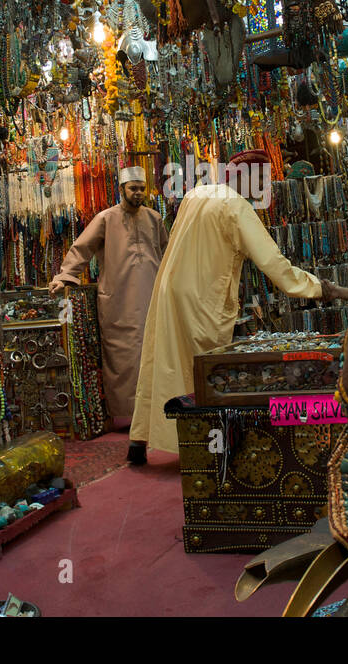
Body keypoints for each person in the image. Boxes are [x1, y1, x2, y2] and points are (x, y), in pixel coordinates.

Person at [130, 149, 324, 462]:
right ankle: (207, 445)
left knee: (161, 360)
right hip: (202, 297)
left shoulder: (196, 193)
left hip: (169, 288)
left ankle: (139, 441)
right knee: (205, 370)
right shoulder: (236, 207)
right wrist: (316, 288)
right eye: (262, 181)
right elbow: (271, 261)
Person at [49, 167, 167, 459]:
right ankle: (127, 416)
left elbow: (167, 254)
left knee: (154, 352)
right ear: (121, 189)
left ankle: (153, 412)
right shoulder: (106, 218)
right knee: (123, 355)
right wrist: (65, 276)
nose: (138, 193)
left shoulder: (154, 219)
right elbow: (81, 250)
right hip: (119, 299)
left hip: (152, 295)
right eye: (133, 188)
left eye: (142, 188)